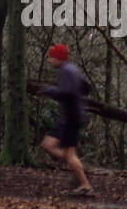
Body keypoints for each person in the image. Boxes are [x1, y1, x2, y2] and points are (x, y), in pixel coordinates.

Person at [39, 44, 95, 197]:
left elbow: (67, 93)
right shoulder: (73, 69)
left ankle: (84, 183)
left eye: (51, 57)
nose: (49, 60)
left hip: (71, 118)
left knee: (64, 153)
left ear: (58, 57)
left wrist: (49, 90)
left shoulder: (65, 71)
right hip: (71, 116)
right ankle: (78, 170)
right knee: (49, 145)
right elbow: (86, 88)